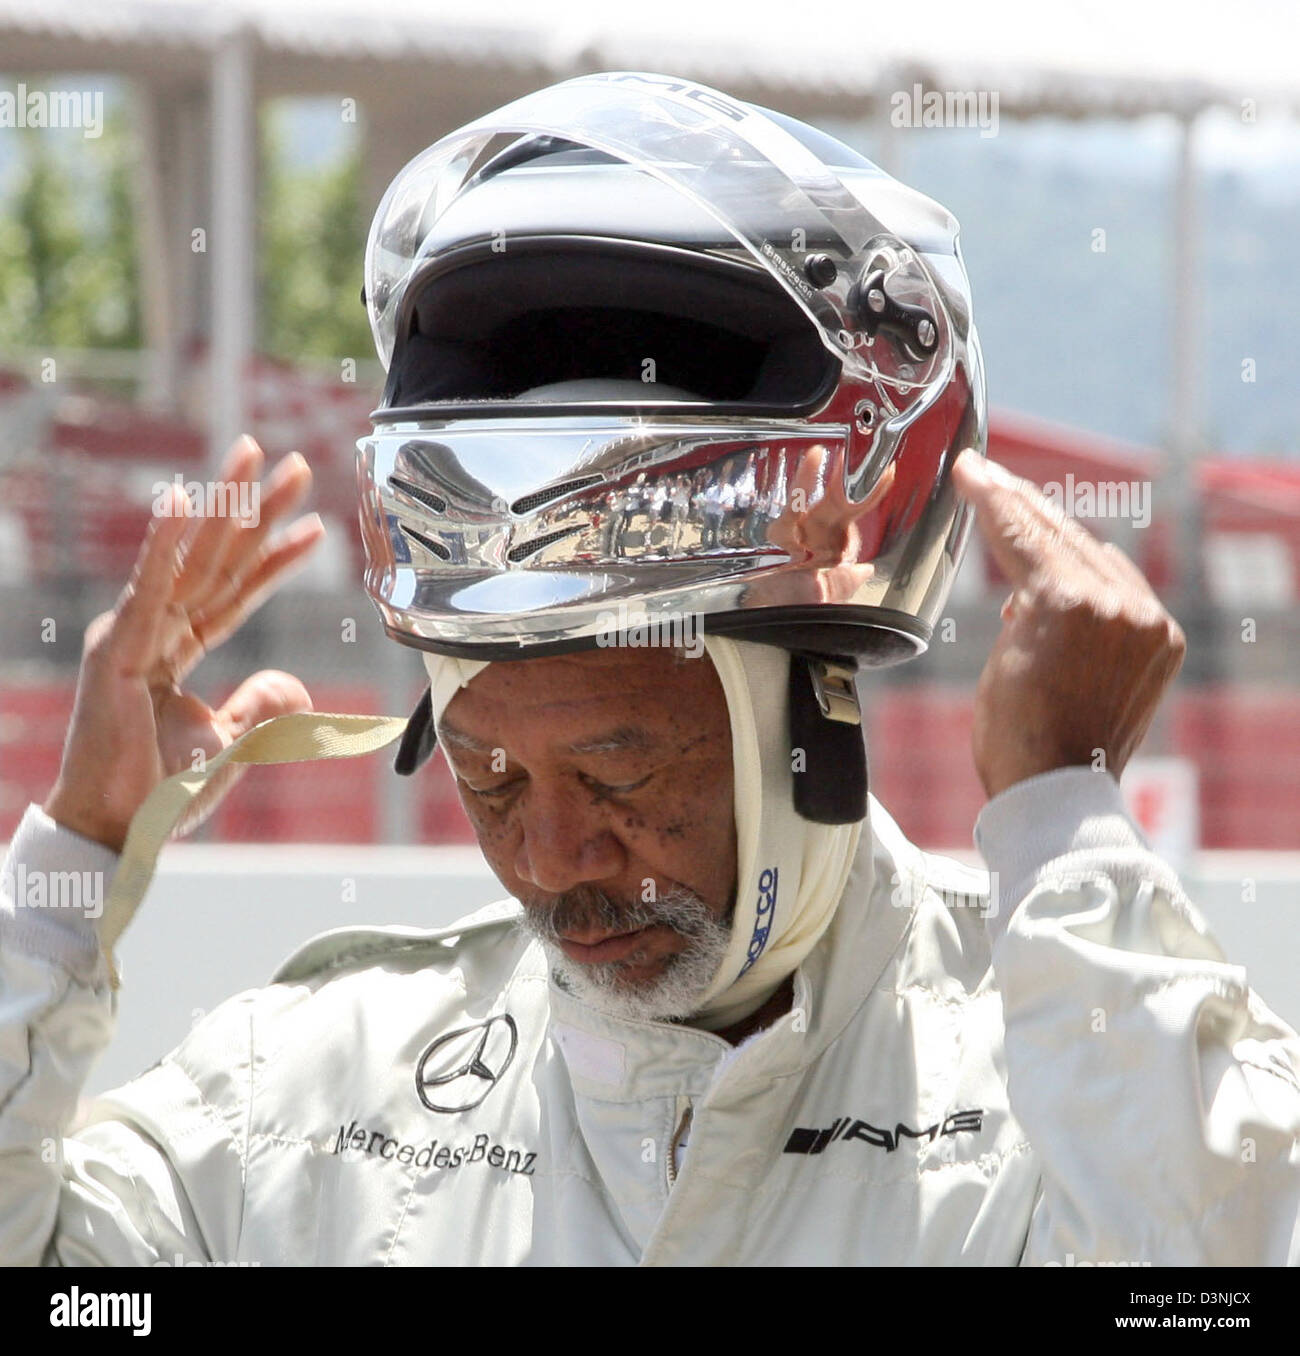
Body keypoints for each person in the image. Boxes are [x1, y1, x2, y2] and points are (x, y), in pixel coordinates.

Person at [3, 72, 1299, 1267]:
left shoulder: (1048, 1080)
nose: (559, 853)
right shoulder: (319, 1095)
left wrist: (1061, 823)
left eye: (618, 764)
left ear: (811, 721)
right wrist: (72, 858)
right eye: (490, 775)